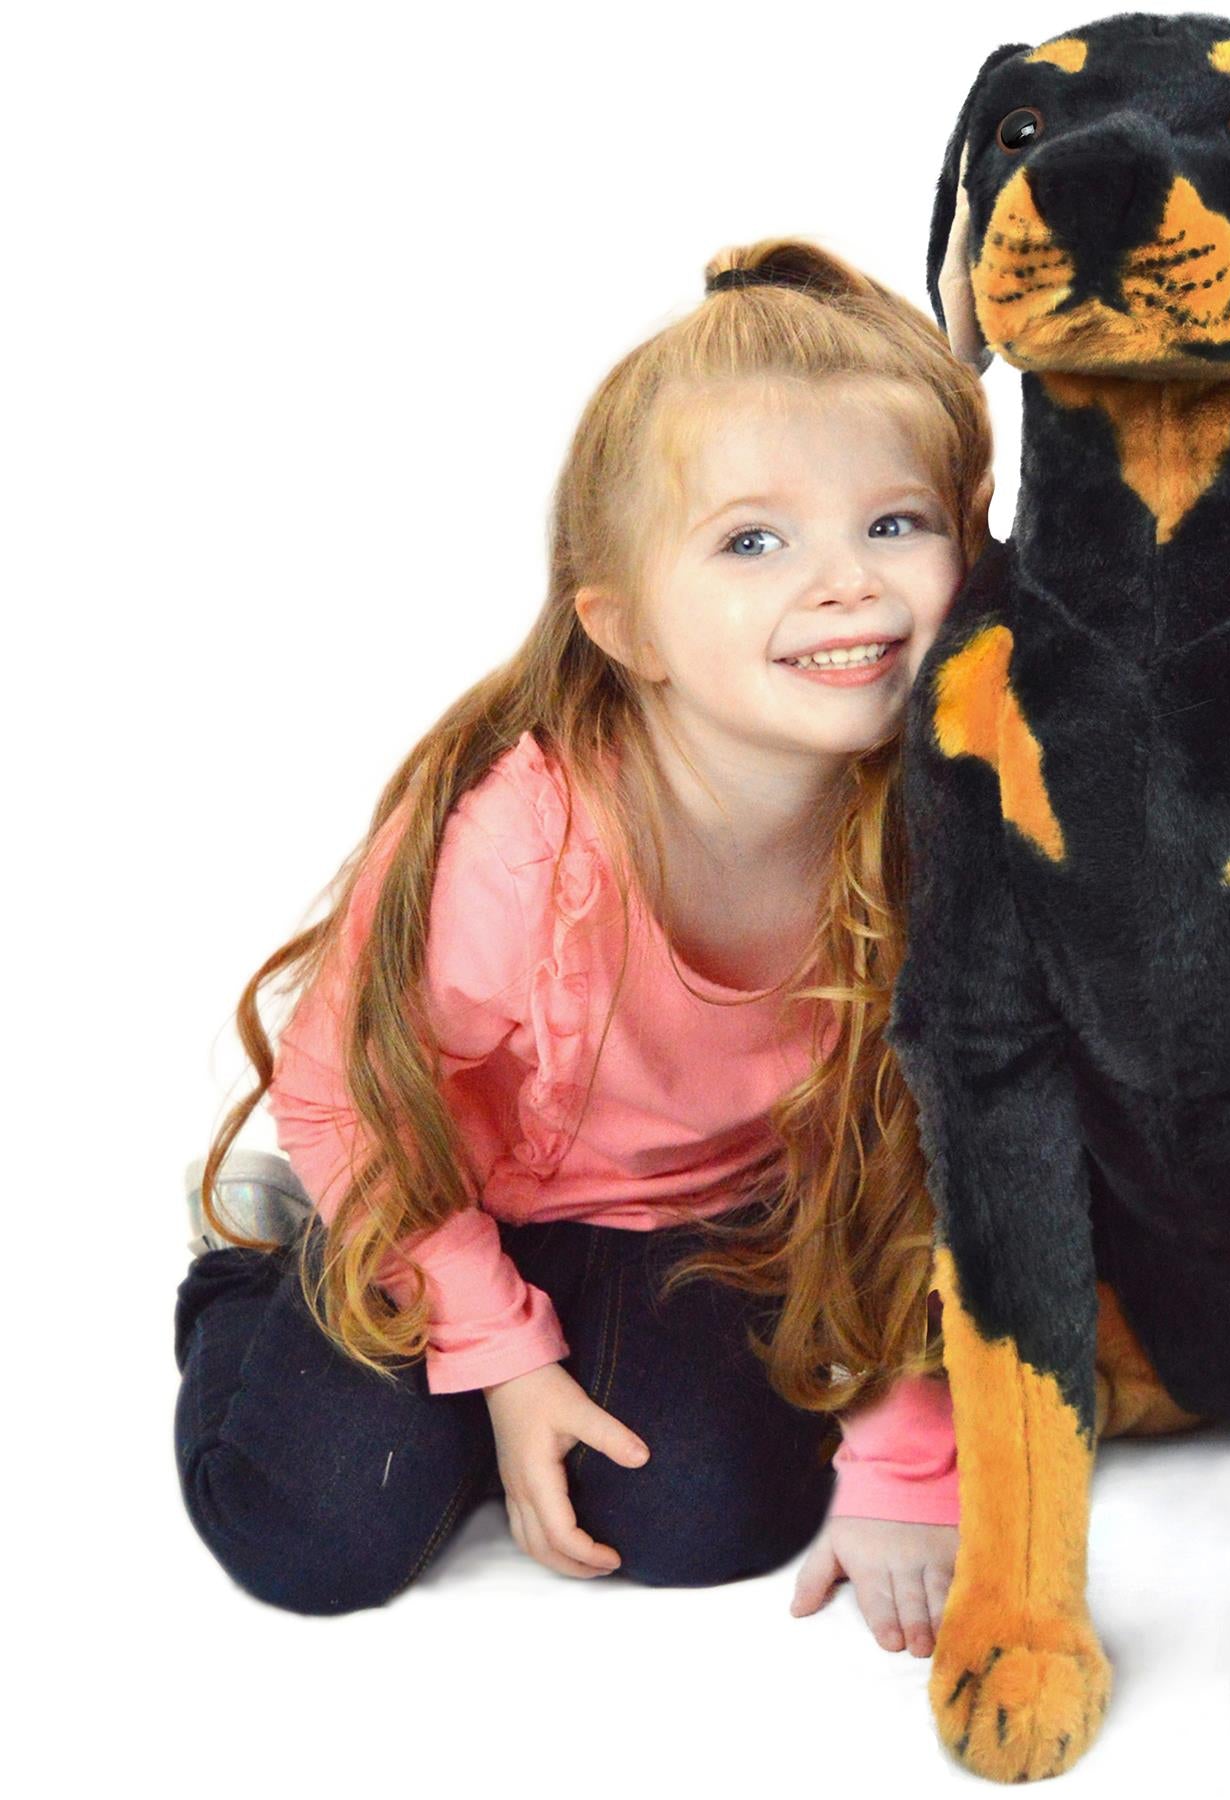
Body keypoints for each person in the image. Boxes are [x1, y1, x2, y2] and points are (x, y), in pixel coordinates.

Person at [174, 238, 994, 1660]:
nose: (847, 584)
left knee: (712, 1524)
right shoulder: (526, 845)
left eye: (894, 522)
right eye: (752, 541)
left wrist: (907, 1460)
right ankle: (252, 1271)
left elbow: (946, 1155)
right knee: (320, 1525)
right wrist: (495, 1347)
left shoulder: (954, 826)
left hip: (696, 1220)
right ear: (626, 630)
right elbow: (345, 1084)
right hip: (435, 1184)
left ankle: (526, 1378)